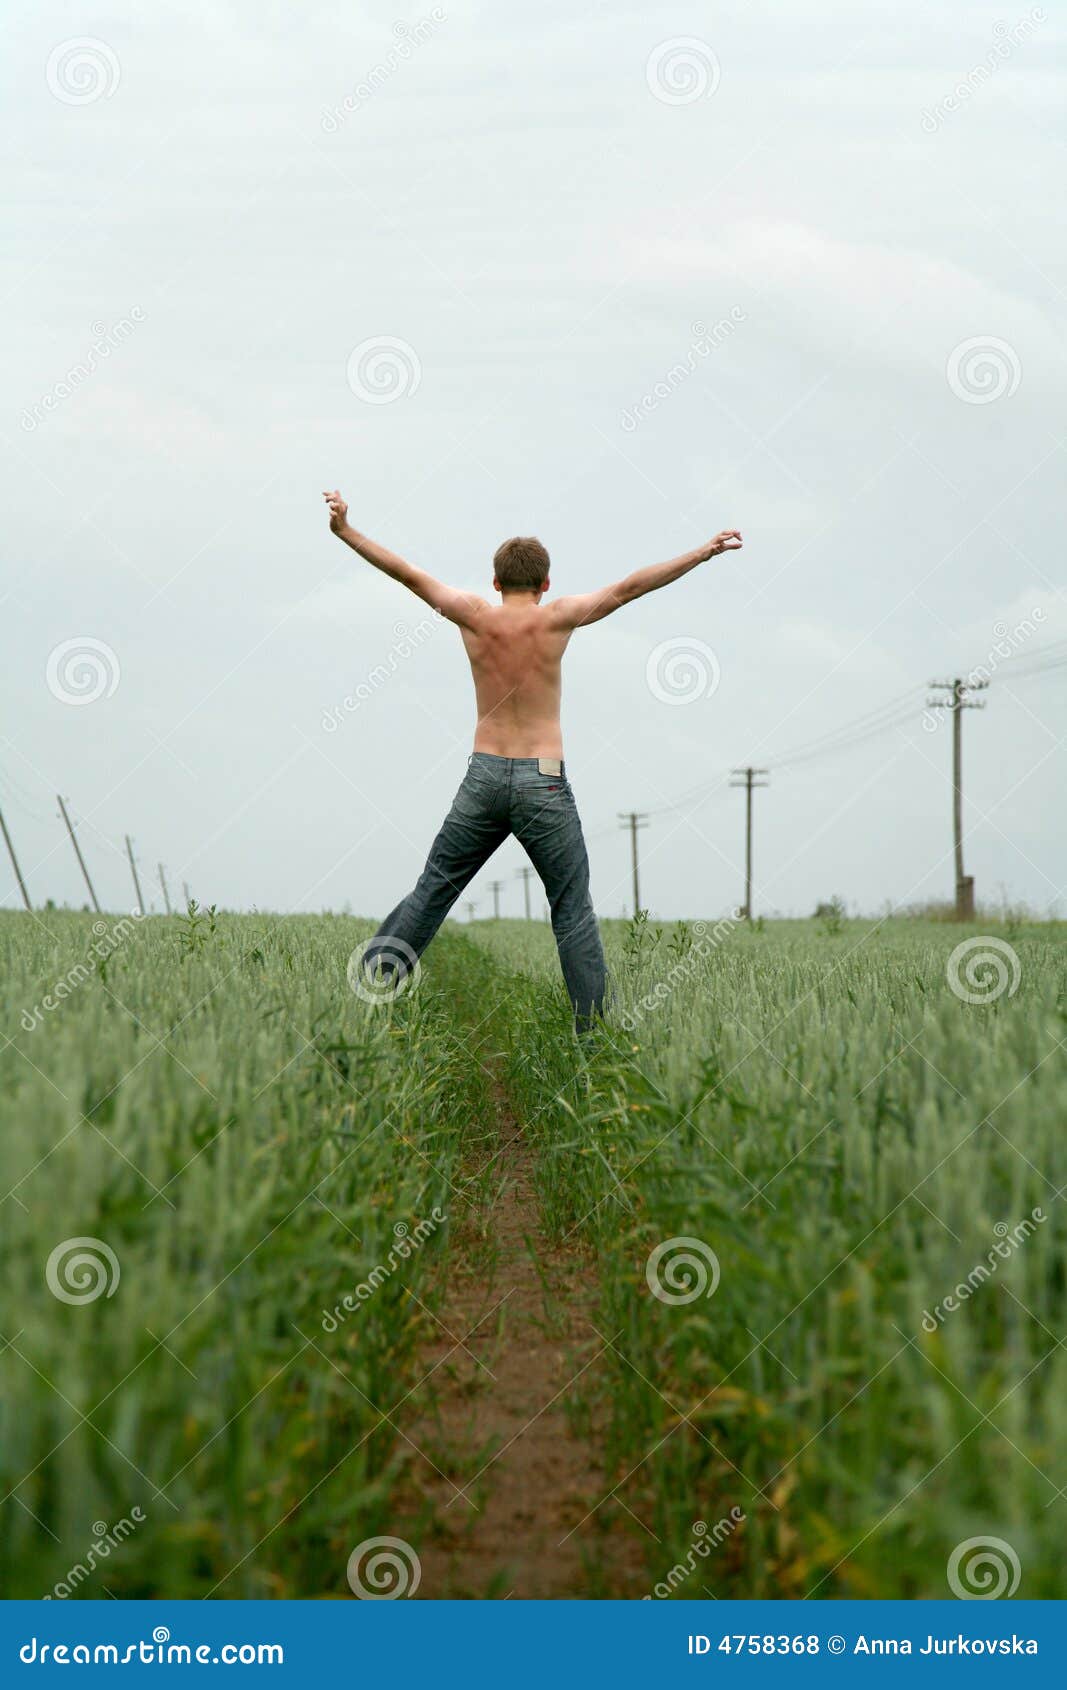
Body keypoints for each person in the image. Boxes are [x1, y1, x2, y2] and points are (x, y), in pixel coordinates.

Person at [323, 490, 742, 1030]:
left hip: (483, 774)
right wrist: (701, 552)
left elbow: (404, 572)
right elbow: (631, 587)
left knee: (433, 890)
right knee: (571, 912)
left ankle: (369, 1000)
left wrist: (345, 531)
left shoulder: (473, 615)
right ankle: (593, 1041)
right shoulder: (557, 618)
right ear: (545, 585)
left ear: (495, 583)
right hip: (543, 782)